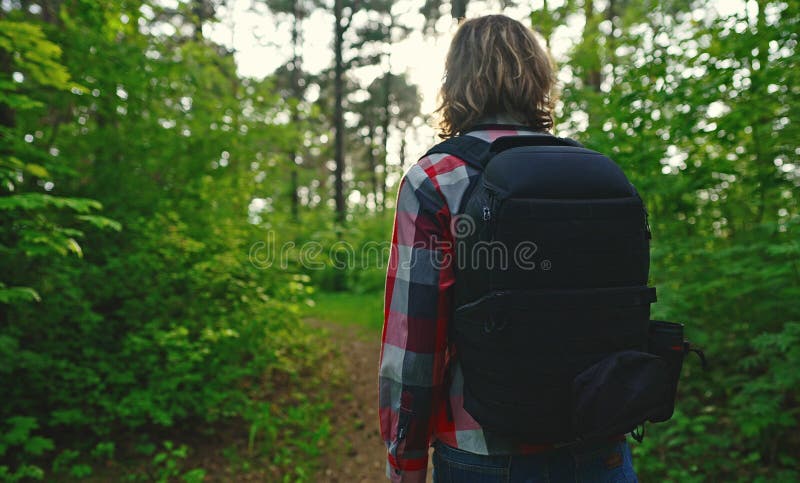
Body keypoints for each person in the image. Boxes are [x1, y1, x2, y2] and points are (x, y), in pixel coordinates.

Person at [378, 14, 639, 482]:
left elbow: (414, 346)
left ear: (455, 80)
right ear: (538, 76)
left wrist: (406, 460)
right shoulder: (596, 171)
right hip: (601, 441)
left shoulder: (436, 179)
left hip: (484, 451)